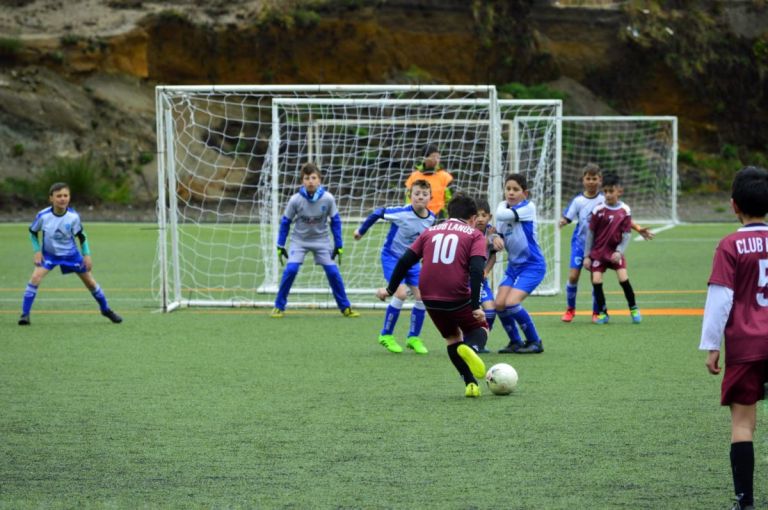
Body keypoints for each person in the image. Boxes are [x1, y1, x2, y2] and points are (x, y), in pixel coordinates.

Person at [699, 166, 768, 510]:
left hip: (745, 345)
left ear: (733, 205)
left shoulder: (730, 244)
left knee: (743, 424)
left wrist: (712, 345)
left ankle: (746, 502)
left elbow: (721, 298)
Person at [375, 192, 489, 398]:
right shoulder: (475, 235)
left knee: (452, 338)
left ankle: (471, 384)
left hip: (428, 296)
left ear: (449, 213)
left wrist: (390, 289)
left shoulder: (430, 231)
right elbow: (476, 269)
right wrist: (475, 305)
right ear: (472, 219)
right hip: (456, 294)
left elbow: (404, 261)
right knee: (480, 328)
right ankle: (471, 348)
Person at [559, 163, 655, 323]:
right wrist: (562, 221)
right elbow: (567, 217)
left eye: (594, 178)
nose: (591, 182)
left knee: (595, 279)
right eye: (588, 178)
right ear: (583, 180)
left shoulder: (605, 198)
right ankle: (570, 309)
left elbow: (621, 217)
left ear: (600, 180)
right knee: (573, 276)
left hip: (598, 246)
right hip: (580, 244)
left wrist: (638, 228)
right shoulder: (578, 201)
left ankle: (597, 312)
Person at [18, 182, 122, 326]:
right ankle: (25, 315)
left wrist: (87, 254)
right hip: (49, 255)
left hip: (71, 256)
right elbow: (33, 232)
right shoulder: (43, 216)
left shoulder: (73, 217)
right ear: (51, 199)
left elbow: (82, 236)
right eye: (58, 196)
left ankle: (105, 310)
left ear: (69, 197)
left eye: (65, 195)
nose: (62, 199)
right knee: (35, 277)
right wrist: (37, 251)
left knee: (90, 283)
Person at [354, 179, 436, 354]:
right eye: (416, 194)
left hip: (412, 262)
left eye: (424, 194)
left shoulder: (432, 219)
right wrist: (361, 231)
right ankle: (386, 335)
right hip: (392, 258)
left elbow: (428, 242)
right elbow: (377, 213)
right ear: (410, 196)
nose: (420, 197)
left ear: (430, 197)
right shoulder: (401, 213)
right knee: (400, 293)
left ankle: (413, 337)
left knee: (423, 297)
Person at [272, 162, 360, 318]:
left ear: (319, 180)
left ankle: (345, 307)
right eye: (307, 178)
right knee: (290, 270)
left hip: (321, 241)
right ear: (302, 181)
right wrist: (280, 244)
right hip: (299, 241)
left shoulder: (328, 199)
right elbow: (286, 222)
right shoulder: (295, 200)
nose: (310, 181)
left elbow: (336, 221)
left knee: (333, 272)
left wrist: (338, 244)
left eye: (313, 178)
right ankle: (279, 306)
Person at [490, 173, 545, 354]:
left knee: (511, 302)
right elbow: (496, 230)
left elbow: (500, 214)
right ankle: (515, 342)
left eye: (516, 189)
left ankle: (535, 341)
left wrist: (498, 215)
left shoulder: (528, 208)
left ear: (525, 193)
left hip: (532, 266)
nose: (511, 193)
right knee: (499, 304)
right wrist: (495, 237)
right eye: (508, 189)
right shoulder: (503, 210)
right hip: (514, 267)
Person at [582, 172, 641, 325]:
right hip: (599, 253)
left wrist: (619, 251)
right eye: (605, 191)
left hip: (615, 253)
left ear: (619, 191)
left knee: (623, 278)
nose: (607, 195)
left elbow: (627, 234)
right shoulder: (598, 210)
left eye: (611, 191)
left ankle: (633, 308)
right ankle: (603, 313)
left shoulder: (625, 211)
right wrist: (587, 256)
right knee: (596, 280)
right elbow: (590, 234)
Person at [468, 197, 498, 353]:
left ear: (490, 217)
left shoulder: (492, 231)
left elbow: (493, 255)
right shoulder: (468, 232)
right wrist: (486, 241)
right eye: (477, 215)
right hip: (465, 280)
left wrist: (486, 271)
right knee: (469, 312)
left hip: (481, 281)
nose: (480, 219)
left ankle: (481, 340)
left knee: (491, 310)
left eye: (484, 215)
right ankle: (468, 342)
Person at [405, 144, 453, 217]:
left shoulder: (445, 177)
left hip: (438, 216)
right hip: (417, 214)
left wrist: (448, 214)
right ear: (425, 158)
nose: (436, 160)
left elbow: (450, 199)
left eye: (438, 157)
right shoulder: (414, 176)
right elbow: (408, 197)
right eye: (433, 157)